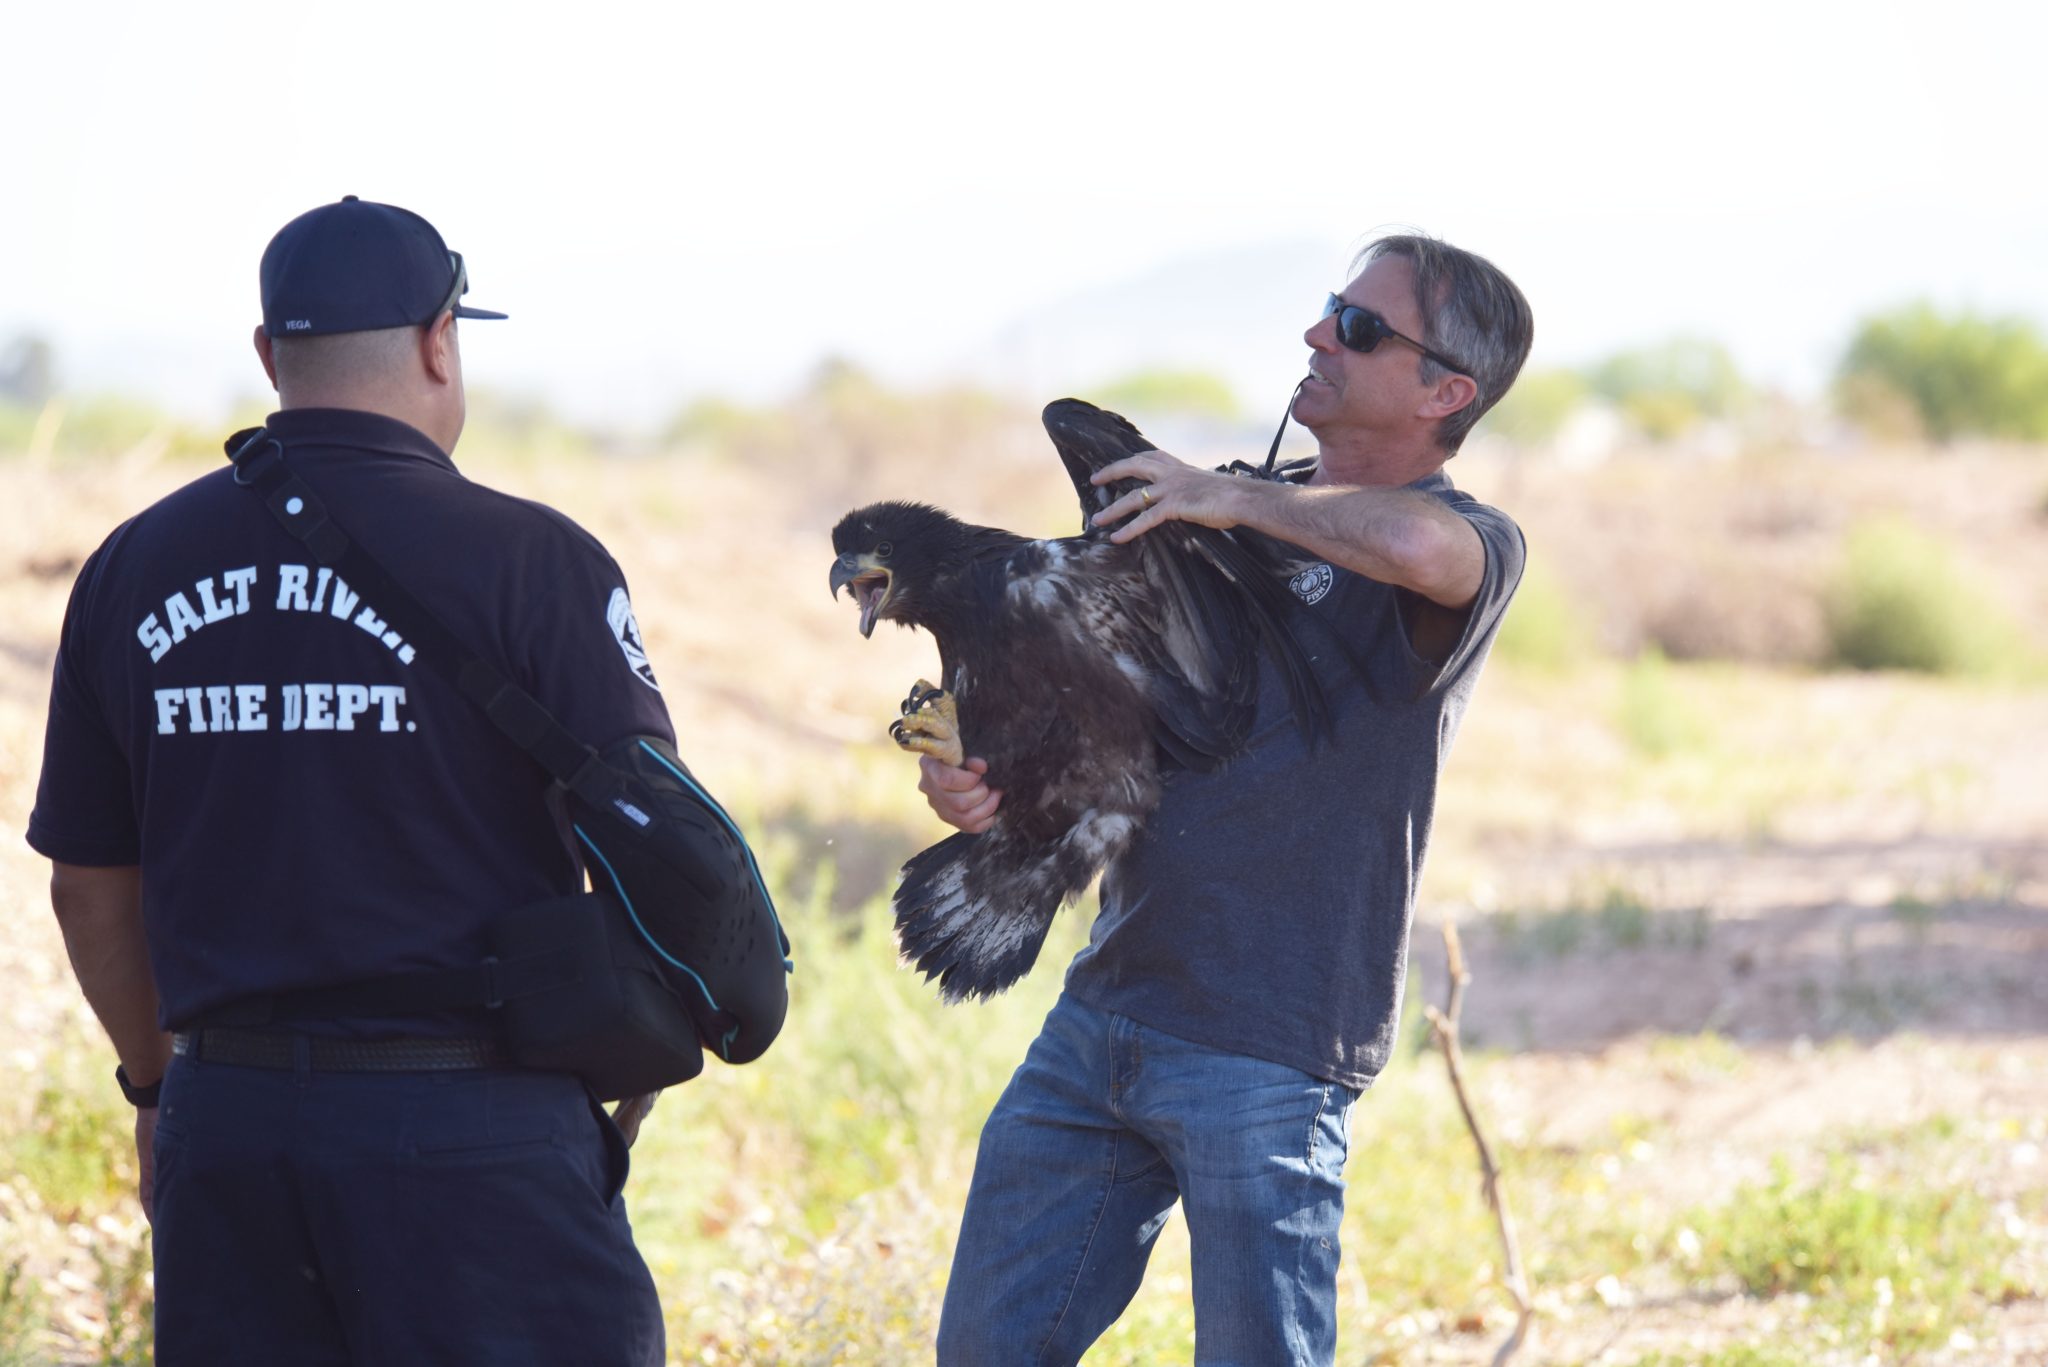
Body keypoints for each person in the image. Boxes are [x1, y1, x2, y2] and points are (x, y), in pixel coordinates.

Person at [26, 196, 681, 1365]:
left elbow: (87, 887)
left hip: (230, 1132)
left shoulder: (130, 565)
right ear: (439, 341)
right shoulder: (536, 560)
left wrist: (157, 1093)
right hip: (478, 1126)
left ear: (270, 355)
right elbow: (655, 845)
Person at [922, 233, 1534, 1365]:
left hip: (1269, 1050)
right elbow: (1125, 732)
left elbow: (1418, 542)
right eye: (1329, 308)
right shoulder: (1220, 514)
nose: (1316, 335)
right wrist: (991, 786)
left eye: (1359, 328)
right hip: (1102, 1013)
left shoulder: (1470, 543)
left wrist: (1226, 498)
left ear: (1446, 392)